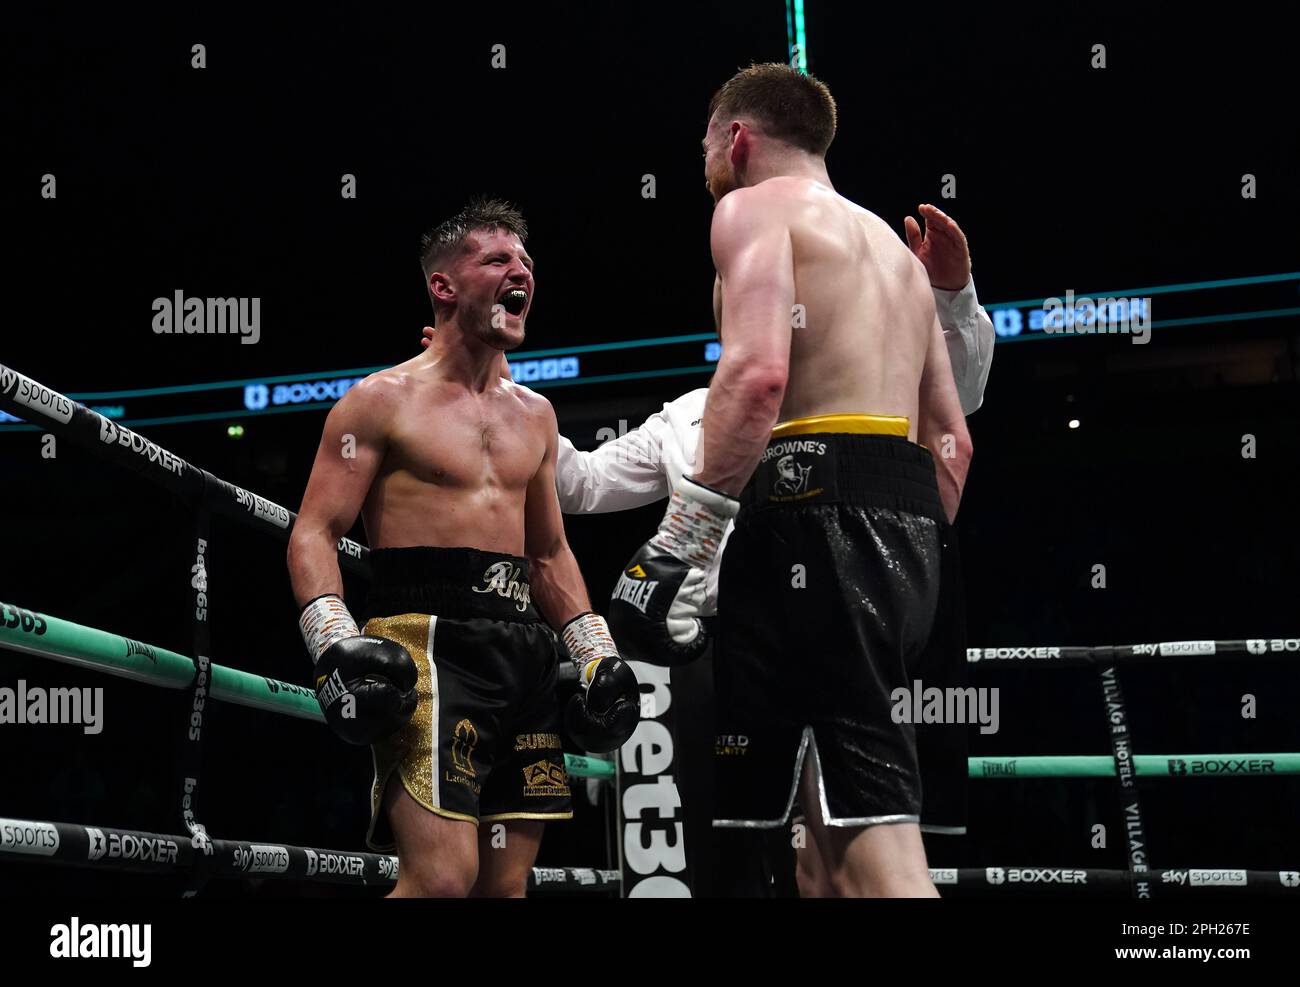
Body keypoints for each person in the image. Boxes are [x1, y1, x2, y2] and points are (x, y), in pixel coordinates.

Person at [419, 202, 992, 895]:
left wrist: (952, 299)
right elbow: (580, 482)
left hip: (827, 626)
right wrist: (493, 385)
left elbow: (958, 399)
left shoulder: (856, 391)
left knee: (840, 843)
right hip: (705, 652)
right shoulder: (689, 415)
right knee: (732, 854)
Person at [612, 62, 972, 897]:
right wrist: (907, 548)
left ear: (736, 138)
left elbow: (756, 377)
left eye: (705, 144)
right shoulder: (896, 254)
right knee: (820, 854)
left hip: (817, 523)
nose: (704, 163)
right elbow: (953, 442)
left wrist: (679, 543)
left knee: (878, 849)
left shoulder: (750, 210)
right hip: (903, 526)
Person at [286, 197, 639, 898]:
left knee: (505, 887)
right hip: (426, 646)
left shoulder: (537, 416)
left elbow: (549, 553)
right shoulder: (379, 401)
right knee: (442, 880)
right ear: (443, 285)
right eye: (498, 259)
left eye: (527, 261)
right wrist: (333, 644)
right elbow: (313, 531)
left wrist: (597, 652)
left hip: (524, 653)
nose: (521, 272)